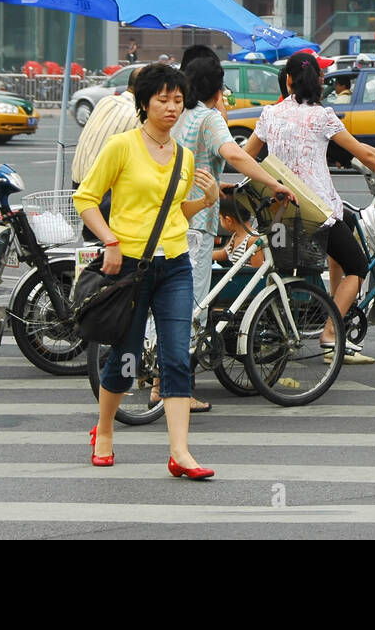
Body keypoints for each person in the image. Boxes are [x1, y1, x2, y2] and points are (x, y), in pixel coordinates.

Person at [75, 63, 221, 478]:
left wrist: (207, 201)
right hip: (130, 269)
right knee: (127, 356)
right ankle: (103, 431)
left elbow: (177, 212)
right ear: (144, 103)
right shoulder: (121, 146)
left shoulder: (185, 156)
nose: (173, 107)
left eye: (178, 100)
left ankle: (181, 453)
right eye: (163, 100)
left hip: (175, 264)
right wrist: (110, 241)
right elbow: (85, 199)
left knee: (177, 356)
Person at [167, 57, 293, 411]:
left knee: (172, 304)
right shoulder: (208, 117)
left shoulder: (178, 116)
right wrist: (273, 182)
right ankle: (175, 388)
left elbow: (190, 163)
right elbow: (234, 153)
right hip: (195, 226)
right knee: (193, 306)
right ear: (217, 88)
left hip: (169, 219)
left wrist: (217, 183)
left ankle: (158, 379)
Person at [243, 50, 375, 361]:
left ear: (289, 81)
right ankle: (331, 333)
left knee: (283, 268)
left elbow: (246, 156)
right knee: (357, 268)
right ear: (320, 82)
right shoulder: (323, 116)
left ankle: (280, 326)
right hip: (318, 211)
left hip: (280, 209)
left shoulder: (269, 115)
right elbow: (363, 154)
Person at [71, 66, 141, 241]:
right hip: (103, 194)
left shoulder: (106, 101)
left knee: (93, 249)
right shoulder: (138, 116)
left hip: (78, 187)